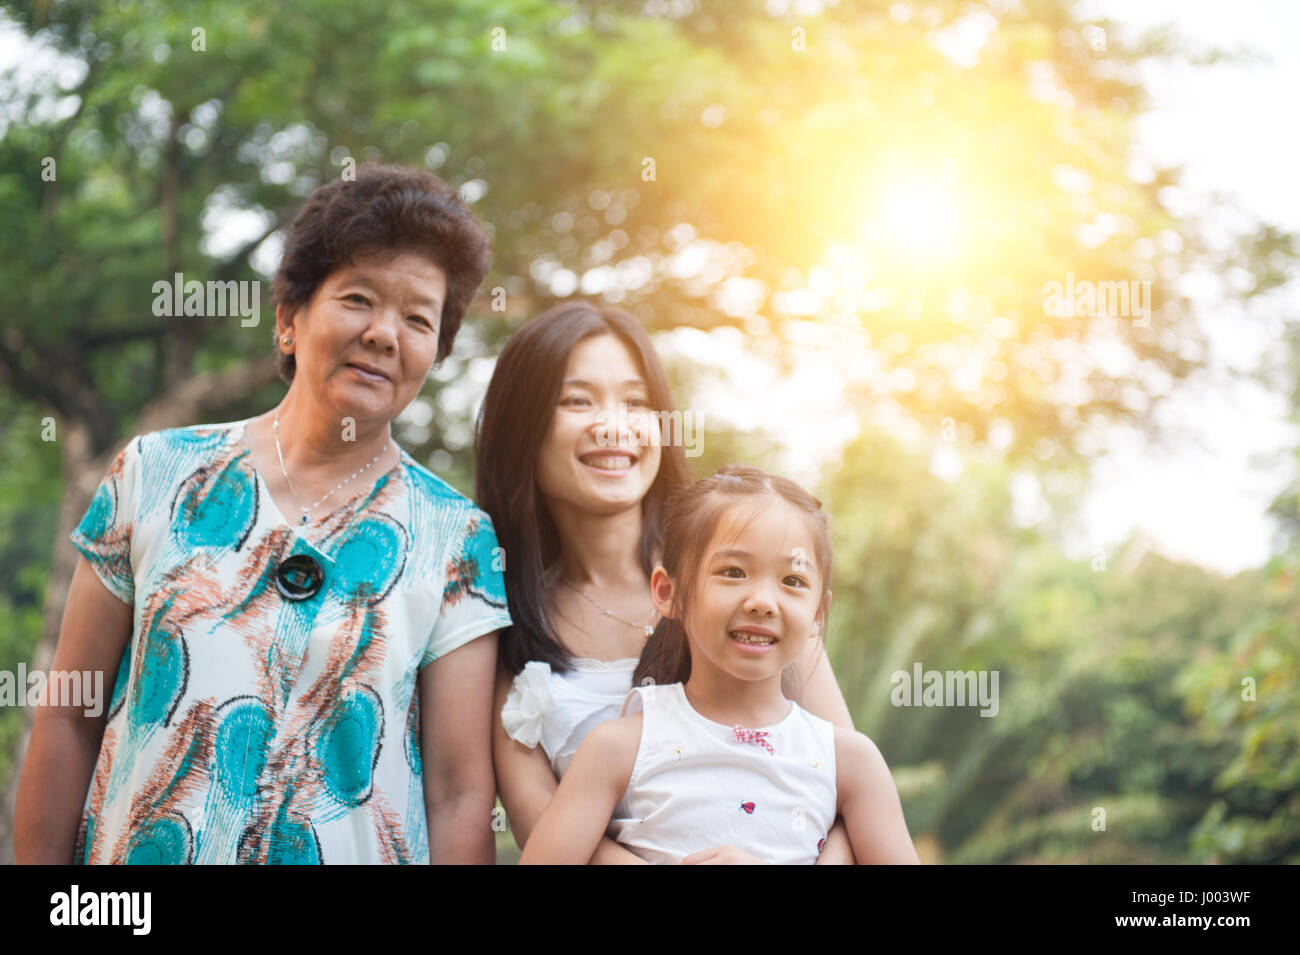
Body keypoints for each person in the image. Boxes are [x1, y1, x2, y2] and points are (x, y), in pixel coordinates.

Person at [14, 163, 511, 864]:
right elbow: (70, 713)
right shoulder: (156, 473)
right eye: (358, 298)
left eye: (417, 317)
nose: (383, 333)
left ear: (434, 352)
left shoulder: (457, 538)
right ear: (288, 320)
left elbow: (460, 792)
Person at [477, 304, 859, 863]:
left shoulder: (746, 587)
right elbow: (545, 836)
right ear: (524, 427)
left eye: (635, 402)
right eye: (578, 400)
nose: (614, 425)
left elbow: (846, 789)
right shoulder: (502, 621)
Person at [519, 465, 920, 865]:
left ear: (818, 613)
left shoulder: (851, 763)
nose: (762, 601)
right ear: (668, 592)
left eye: (792, 581)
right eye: (733, 572)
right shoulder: (619, 747)